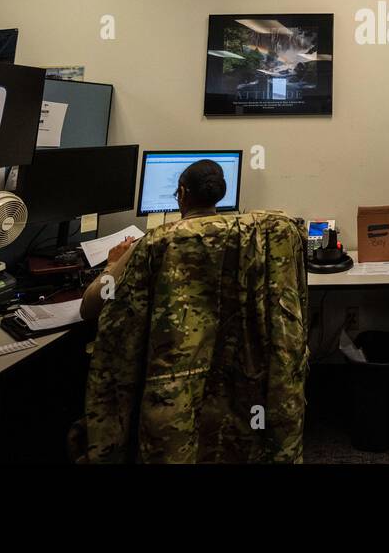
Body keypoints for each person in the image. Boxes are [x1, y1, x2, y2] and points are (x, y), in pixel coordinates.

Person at [84, 160, 308, 463]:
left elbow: (91, 306)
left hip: (173, 388)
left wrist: (113, 263)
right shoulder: (257, 236)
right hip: (245, 381)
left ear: (181, 193)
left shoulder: (157, 241)